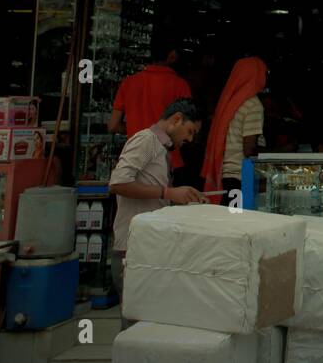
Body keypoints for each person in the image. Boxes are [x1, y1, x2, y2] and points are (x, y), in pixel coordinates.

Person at [108, 99, 206, 306]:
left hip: (148, 248)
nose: (189, 139)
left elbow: (155, 196)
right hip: (132, 250)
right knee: (135, 324)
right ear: (176, 119)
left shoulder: (161, 149)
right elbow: (118, 183)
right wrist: (168, 192)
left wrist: (183, 198)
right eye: (189, 131)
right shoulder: (146, 140)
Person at [109, 36, 192, 171]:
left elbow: (112, 126)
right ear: (173, 55)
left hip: (134, 159)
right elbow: (186, 129)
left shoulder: (129, 83)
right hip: (167, 160)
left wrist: (133, 129)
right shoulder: (180, 85)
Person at [203, 56, 268, 204]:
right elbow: (249, 149)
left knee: (228, 221)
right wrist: (279, 153)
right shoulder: (253, 105)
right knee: (238, 222)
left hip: (225, 174)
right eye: (264, 73)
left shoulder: (230, 102)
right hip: (240, 176)